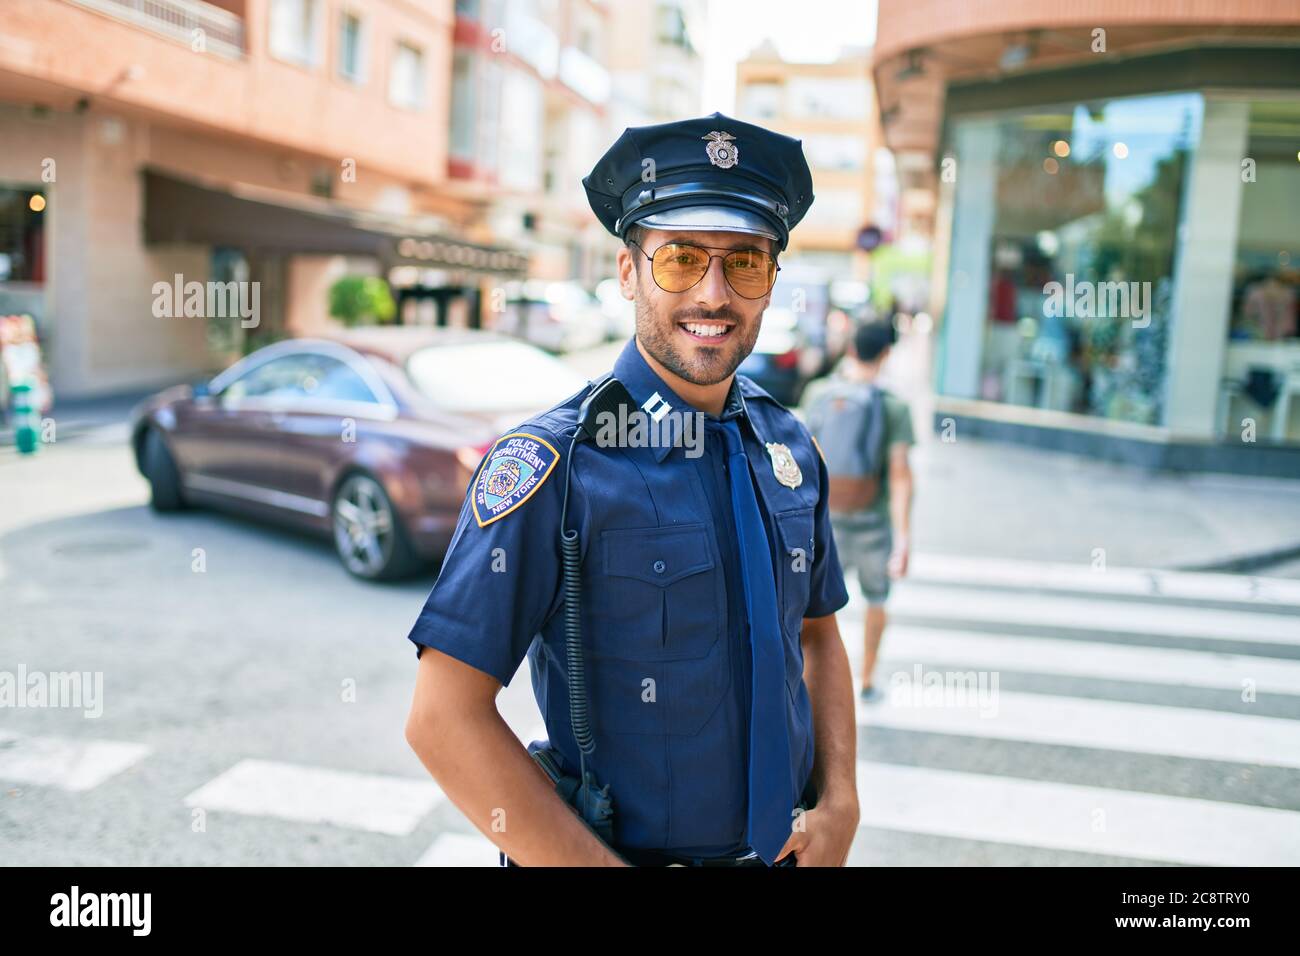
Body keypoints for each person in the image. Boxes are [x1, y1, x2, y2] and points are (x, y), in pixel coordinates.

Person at [403, 112, 861, 867]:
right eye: (680, 259)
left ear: (771, 281)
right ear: (627, 271)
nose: (714, 295)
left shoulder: (788, 446)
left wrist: (840, 801)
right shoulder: (555, 464)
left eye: (745, 262)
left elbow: (816, 634)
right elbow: (442, 719)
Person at [802, 319, 914, 702]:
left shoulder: (817, 394)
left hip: (824, 523)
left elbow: (804, 459)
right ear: (886, 354)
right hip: (872, 524)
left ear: (850, 349)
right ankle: (865, 679)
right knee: (877, 599)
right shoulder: (893, 407)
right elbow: (900, 476)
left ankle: (804, 677)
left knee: (811, 605)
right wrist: (903, 540)